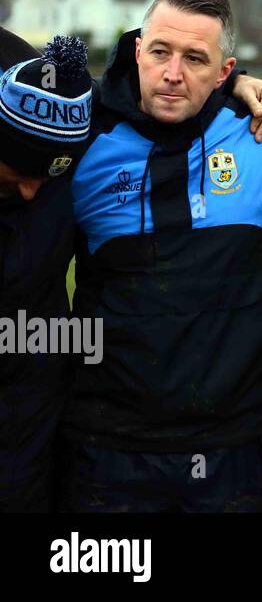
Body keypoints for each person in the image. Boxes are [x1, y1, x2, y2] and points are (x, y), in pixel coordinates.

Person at [58, 0, 262, 512]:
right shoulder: (78, 141)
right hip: (106, 448)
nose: (173, 73)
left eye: (196, 59)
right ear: (138, 49)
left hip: (226, 453)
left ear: (224, 71)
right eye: (162, 52)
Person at [0, 30, 94, 511]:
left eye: (49, 175)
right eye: (19, 173)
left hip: (32, 406)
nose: (34, 192)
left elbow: (157, 81)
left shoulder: (60, 103)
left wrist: (238, 83)